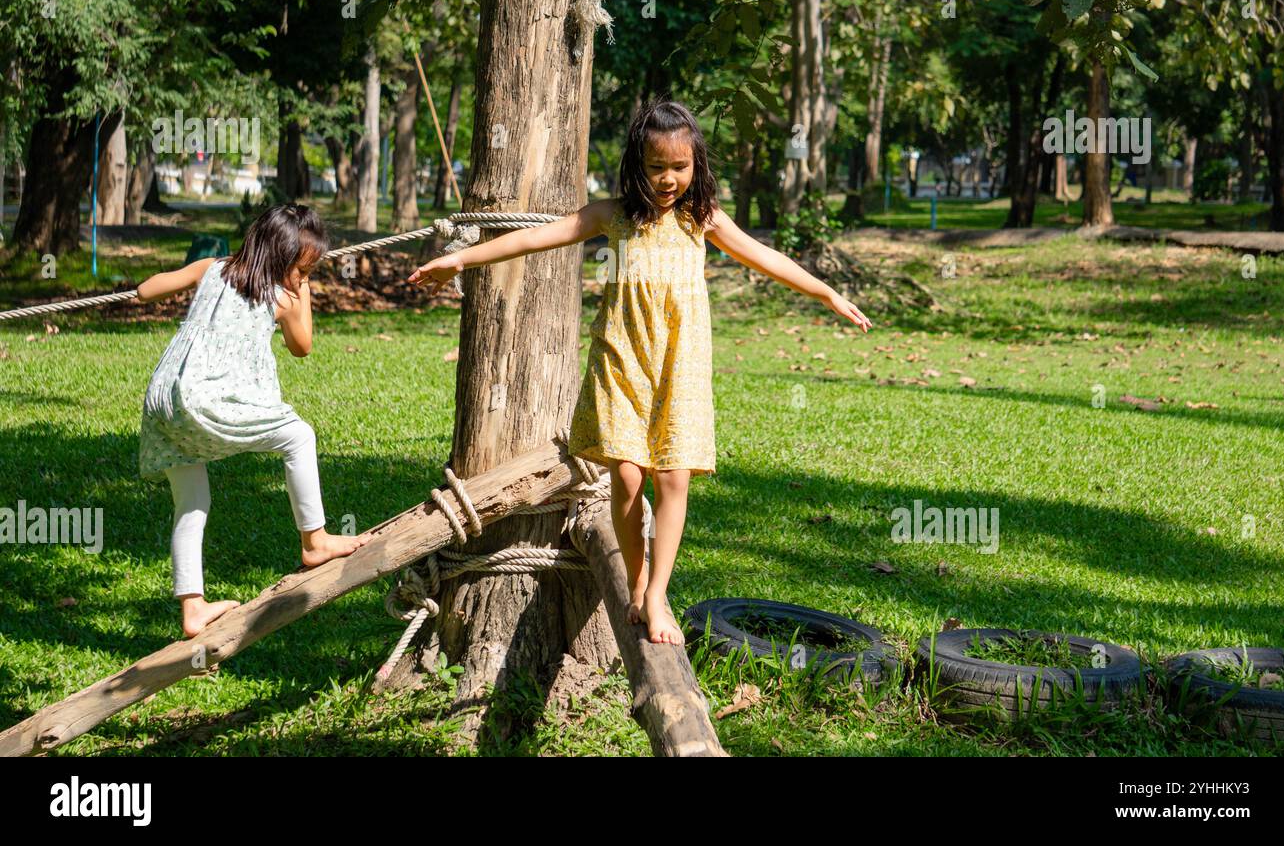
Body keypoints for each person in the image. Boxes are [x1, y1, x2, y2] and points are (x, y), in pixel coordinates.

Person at [407, 99, 871, 644]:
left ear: (696, 164)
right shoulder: (614, 216)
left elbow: (764, 256)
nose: (669, 178)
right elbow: (537, 236)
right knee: (626, 476)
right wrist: (460, 259)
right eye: (657, 167)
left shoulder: (704, 220)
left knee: (672, 476)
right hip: (621, 357)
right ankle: (637, 577)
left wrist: (826, 292)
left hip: (680, 361)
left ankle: (656, 596)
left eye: (681, 166)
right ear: (637, 164)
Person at [137, 203, 371, 638]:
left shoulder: (213, 267)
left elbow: (148, 290)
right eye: (303, 269)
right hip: (207, 399)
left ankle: (193, 609)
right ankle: (315, 540)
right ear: (281, 260)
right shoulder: (281, 297)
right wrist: (304, 293)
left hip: (165, 398)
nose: (304, 277)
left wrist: (153, 287)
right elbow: (303, 347)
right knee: (299, 436)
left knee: (191, 502)